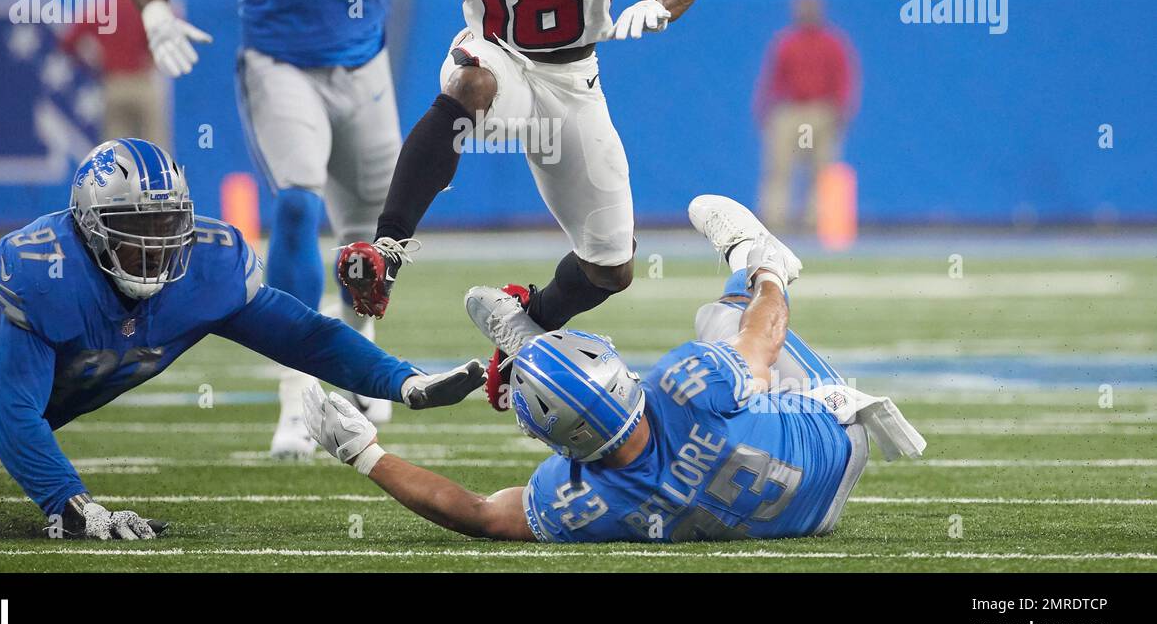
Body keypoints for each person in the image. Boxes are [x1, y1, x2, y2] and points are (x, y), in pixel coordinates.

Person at [0, 138, 484, 538]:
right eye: (135, 227)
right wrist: (68, 502)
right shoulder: (42, 272)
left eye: (167, 224)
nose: (155, 243)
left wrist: (402, 378)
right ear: (88, 229)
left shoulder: (204, 269)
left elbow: (307, 337)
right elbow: (11, 408)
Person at [312, 0, 702, 387]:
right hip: (498, 49)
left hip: (575, 79)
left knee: (611, 267)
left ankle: (526, 318)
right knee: (474, 82)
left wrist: (662, 1)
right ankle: (385, 250)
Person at [303, 194, 924, 543]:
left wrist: (365, 454)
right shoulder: (686, 385)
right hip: (834, 448)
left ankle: (524, 342)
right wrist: (762, 276)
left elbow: (476, 512)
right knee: (723, 317)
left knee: (732, 354)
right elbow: (763, 336)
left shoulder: (583, 497)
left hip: (800, 524)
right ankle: (757, 254)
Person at [121, 0, 412, 459]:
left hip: (363, 61)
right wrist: (155, 10)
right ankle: (298, 392)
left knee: (369, 240)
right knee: (292, 203)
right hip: (276, 60)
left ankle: (360, 359)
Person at [753, 0, 859, 232]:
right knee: (779, 167)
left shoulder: (832, 42)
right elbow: (774, 78)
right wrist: (765, 109)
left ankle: (817, 220)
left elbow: (843, 77)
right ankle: (775, 219)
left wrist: (842, 110)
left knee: (822, 169)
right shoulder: (786, 42)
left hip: (821, 111)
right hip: (790, 111)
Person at [59, 0, 170, 147]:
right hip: (141, 82)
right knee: (155, 152)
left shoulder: (102, 7)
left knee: (115, 157)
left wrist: (89, 66)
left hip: (114, 83)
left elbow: (68, 42)